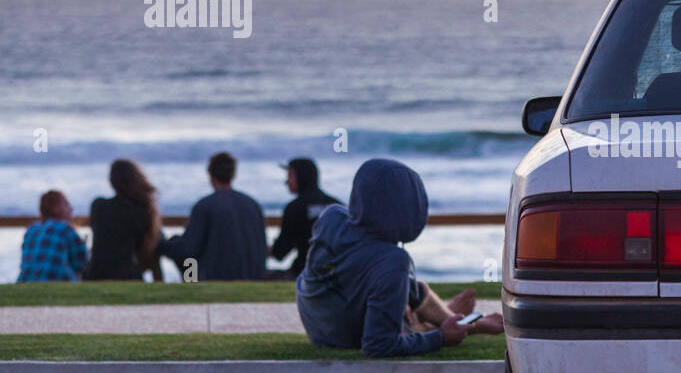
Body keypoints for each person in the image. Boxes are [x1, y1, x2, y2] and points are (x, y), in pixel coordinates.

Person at [297, 158, 501, 357]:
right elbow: (378, 344)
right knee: (405, 323)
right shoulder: (393, 261)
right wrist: (442, 337)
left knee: (411, 287)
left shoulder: (331, 217)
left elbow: (354, 267)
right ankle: (460, 324)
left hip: (316, 326)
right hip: (343, 337)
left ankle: (450, 318)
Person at [158, 152, 267, 281]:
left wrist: (161, 245)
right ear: (232, 174)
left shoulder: (205, 206)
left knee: (187, 259)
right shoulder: (252, 204)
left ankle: (190, 283)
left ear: (210, 175)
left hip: (214, 277)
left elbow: (188, 250)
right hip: (252, 276)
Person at [84, 159, 163, 281]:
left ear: (112, 182)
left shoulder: (98, 206)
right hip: (128, 276)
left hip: (94, 275)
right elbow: (148, 250)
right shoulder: (143, 211)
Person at [271, 158, 340, 278]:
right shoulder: (337, 205)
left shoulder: (295, 208)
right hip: (336, 273)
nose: (286, 182)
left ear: (301, 177)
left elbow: (280, 252)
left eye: (290, 176)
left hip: (304, 273)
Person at [17, 191, 88, 282]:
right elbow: (82, 262)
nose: (71, 209)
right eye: (67, 205)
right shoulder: (65, 229)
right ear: (56, 209)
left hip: (25, 282)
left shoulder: (31, 229)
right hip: (56, 281)